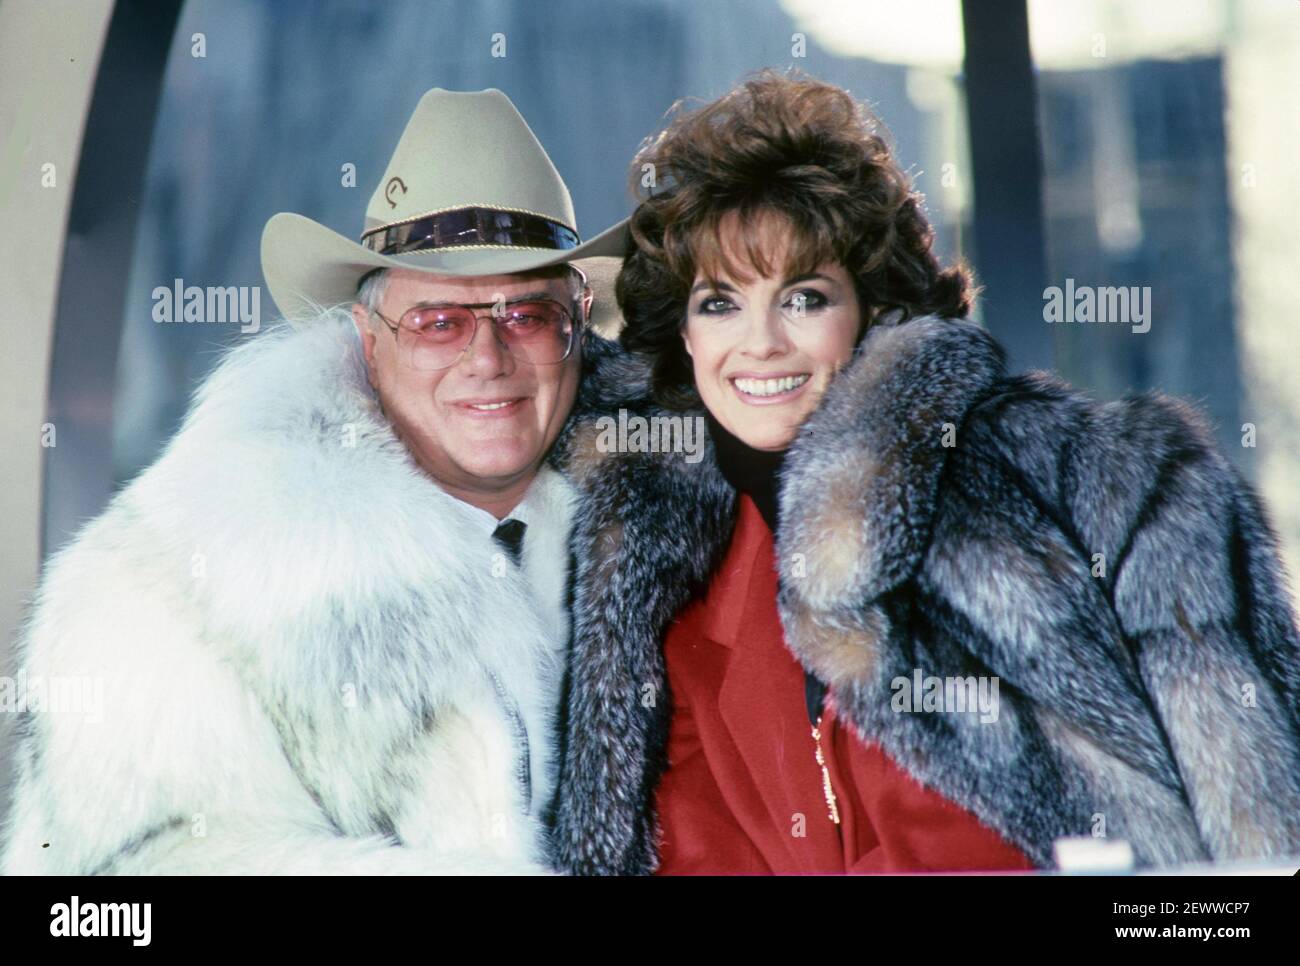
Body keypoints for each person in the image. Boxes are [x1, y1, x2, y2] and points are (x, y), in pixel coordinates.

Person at [550, 70, 1300, 874]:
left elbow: (1256, 837)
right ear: (685, 336)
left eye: (803, 298)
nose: (760, 342)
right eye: (721, 302)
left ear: (872, 310)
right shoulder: (678, 602)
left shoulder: (1102, 488)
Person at [1, 87, 628, 874]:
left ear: (578, 328)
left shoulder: (643, 547)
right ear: (367, 341)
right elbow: (102, 899)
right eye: (440, 322)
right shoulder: (181, 576)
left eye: (527, 315)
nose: (489, 360)